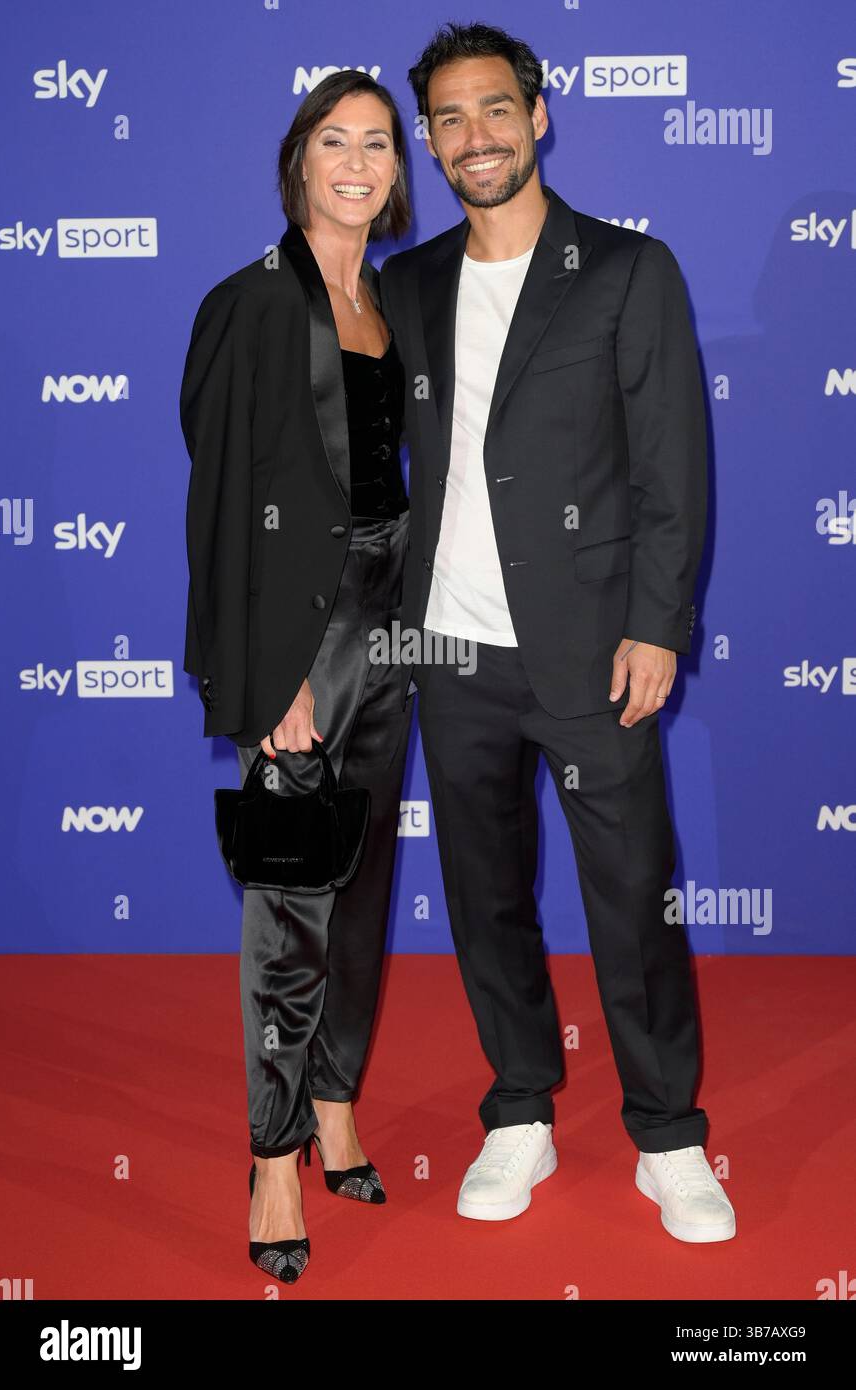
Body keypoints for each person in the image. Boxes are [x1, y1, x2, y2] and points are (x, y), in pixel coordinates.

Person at [379, 21, 736, 1243]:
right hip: (449, 651)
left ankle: (668, 1134)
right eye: (447, 119)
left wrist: (657, 625)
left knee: (630, 894)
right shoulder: (407, 283)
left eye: (492, 110)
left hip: (592, 648)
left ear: (538, 115)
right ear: (427, 142)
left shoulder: (629, 270)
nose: (471, 136)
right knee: (485, 896)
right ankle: (518, 1109)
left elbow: (669, 470)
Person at [179, 70, 413, 1282]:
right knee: (289, 911)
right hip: (299, 639)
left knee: (361, 888)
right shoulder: (251, 305)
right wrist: (267, 680)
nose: (360, 161)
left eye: (379, 142)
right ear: (298, 159)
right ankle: (273, 1155)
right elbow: (220, 511)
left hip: (391, 630)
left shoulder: (386, 300)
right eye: (337, 140)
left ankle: (333, 1103)